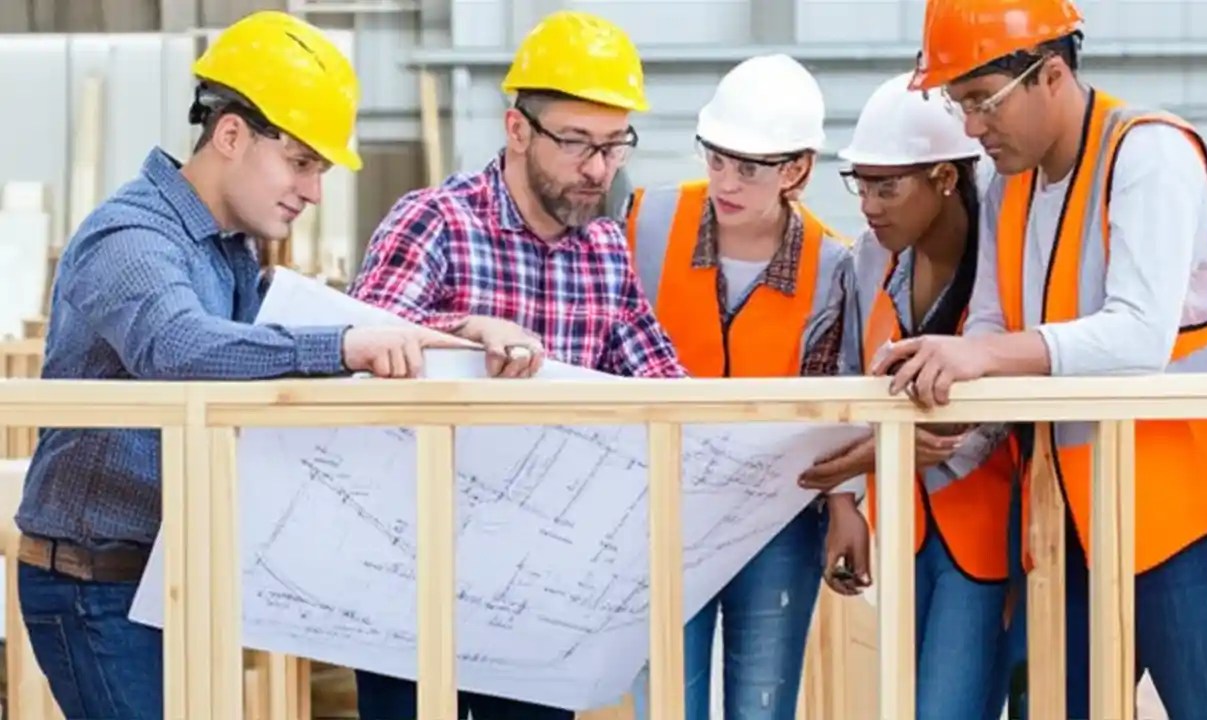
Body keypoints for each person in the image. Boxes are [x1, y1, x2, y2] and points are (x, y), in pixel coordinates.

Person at [14, 11, 542, 720]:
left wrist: (452, 333)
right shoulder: (132, 236)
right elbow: (179, 348)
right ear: (231, 135)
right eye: (300, 162)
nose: (314, 191)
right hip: (95, 584)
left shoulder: (225, 250)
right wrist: (344, 347)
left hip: (165, 581)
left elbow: (295, 328)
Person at [874, 0, 1207, 716]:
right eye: (958, 103)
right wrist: (951, 395)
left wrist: (981, 354)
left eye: (982, 100)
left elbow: (1138, 337)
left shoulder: (1148, 153)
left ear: (1051, 75)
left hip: (1189, 511)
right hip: (1068, 516)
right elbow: (992, 326)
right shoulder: (1011, 184)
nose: (970, 127)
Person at [346, 9, 687, 720]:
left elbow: (661, 383)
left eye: (614, 145)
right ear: (517, 129)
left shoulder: (604, 250)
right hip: (411, 580)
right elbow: (361, 341)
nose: (598, 168)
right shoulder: (436, 221)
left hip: (539, 589)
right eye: (577, 142)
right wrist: (466, 331)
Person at [623, 53, 849, 720]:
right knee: (669, 707)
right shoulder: (646, 222)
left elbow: (836, 400)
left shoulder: (833, 265)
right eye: (716, 158)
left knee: (762, 708)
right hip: (664, 508)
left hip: (777, 516)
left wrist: (845, 505)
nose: (725, 181)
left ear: (797, 169)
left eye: (748, 168)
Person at [795, 71, 1016, 720]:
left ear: (945, 178)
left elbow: (991, 413)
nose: (868, 204)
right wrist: (845, 503)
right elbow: (846, 376)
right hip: (903, 529)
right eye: (860, 183)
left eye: (886, 186)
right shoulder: (869, 260)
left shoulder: (1004, 258)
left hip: (986, 535)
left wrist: (877, 452)